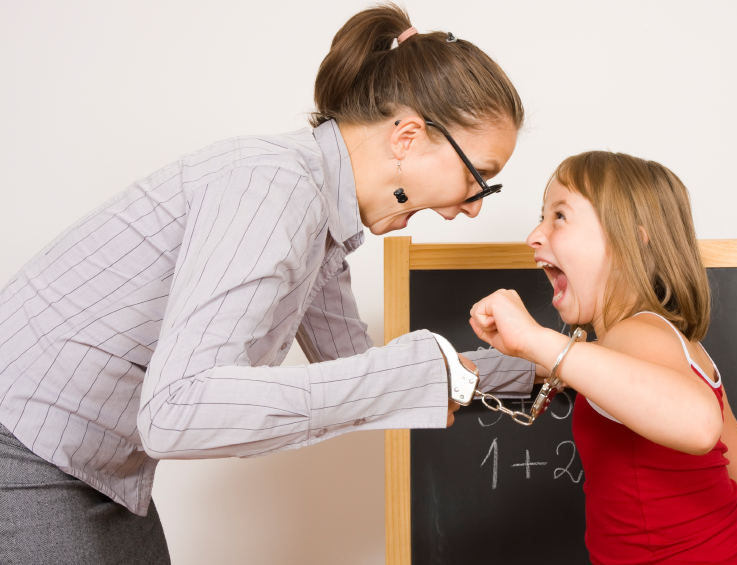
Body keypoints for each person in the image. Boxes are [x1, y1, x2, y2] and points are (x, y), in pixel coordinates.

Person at [0, 4, 537, 563]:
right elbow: (177, 412)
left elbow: (353, 367)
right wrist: (412, 375)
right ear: (407, 137)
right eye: (480, 178)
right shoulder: (275, 188)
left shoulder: (321, 221)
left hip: (96, 469)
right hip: (24, 450)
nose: (474, 208)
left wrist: (546, 365)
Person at [469, 151, 737, 564]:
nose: (535, 235)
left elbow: (700, 424)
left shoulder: (634, 335)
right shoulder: (670, 344)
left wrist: (533, 338)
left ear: (631, 238)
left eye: (559, 216)